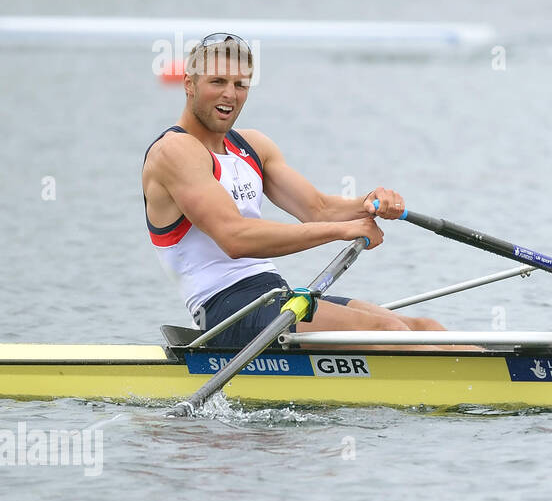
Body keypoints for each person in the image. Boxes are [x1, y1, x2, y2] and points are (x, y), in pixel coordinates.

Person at [141, 33, 456, 348]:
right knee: (390, 334)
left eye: (240, 85)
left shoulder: (251, 145)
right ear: (189, 84)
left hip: (274, 295)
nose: (230, 94)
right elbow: (234, 238)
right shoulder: (175, 151)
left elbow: (317, 209)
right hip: (226, 312)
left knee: (425, 327)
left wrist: (369, 203)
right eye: (218, 82)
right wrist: (342, 230)